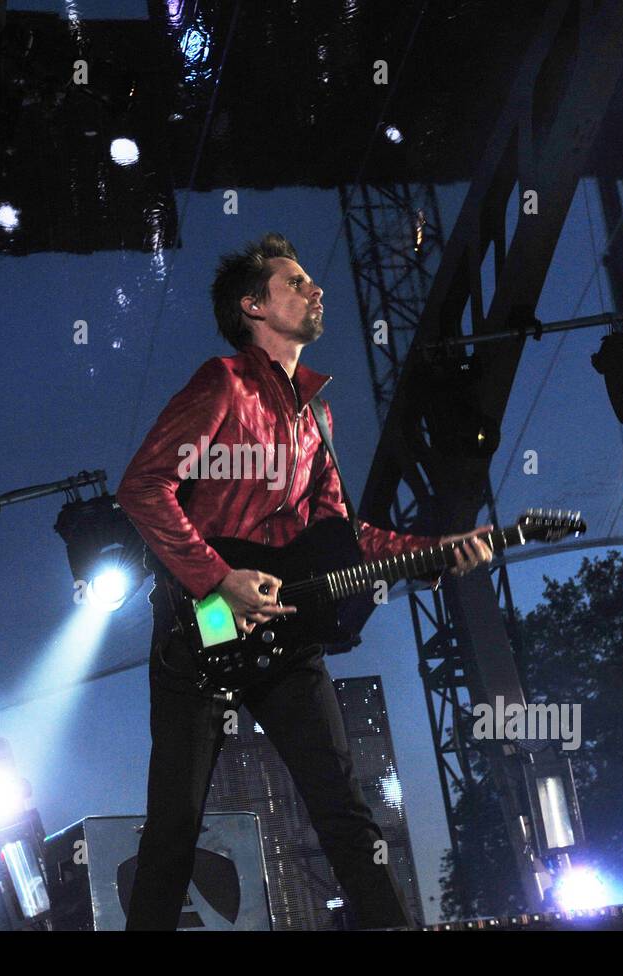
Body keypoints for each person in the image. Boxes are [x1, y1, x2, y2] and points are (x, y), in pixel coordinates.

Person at [115, 232, 493, 930]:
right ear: (253, 305)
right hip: (206, 628)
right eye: (296, 282)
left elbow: (343, 538)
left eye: (313, 281)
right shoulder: (220, 382)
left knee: (347, 815)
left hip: (285, 635)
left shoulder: (316, 414)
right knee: (173, 830)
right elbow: (142, 488)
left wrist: (438, 548)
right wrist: (218, 579)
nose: (316, 291)